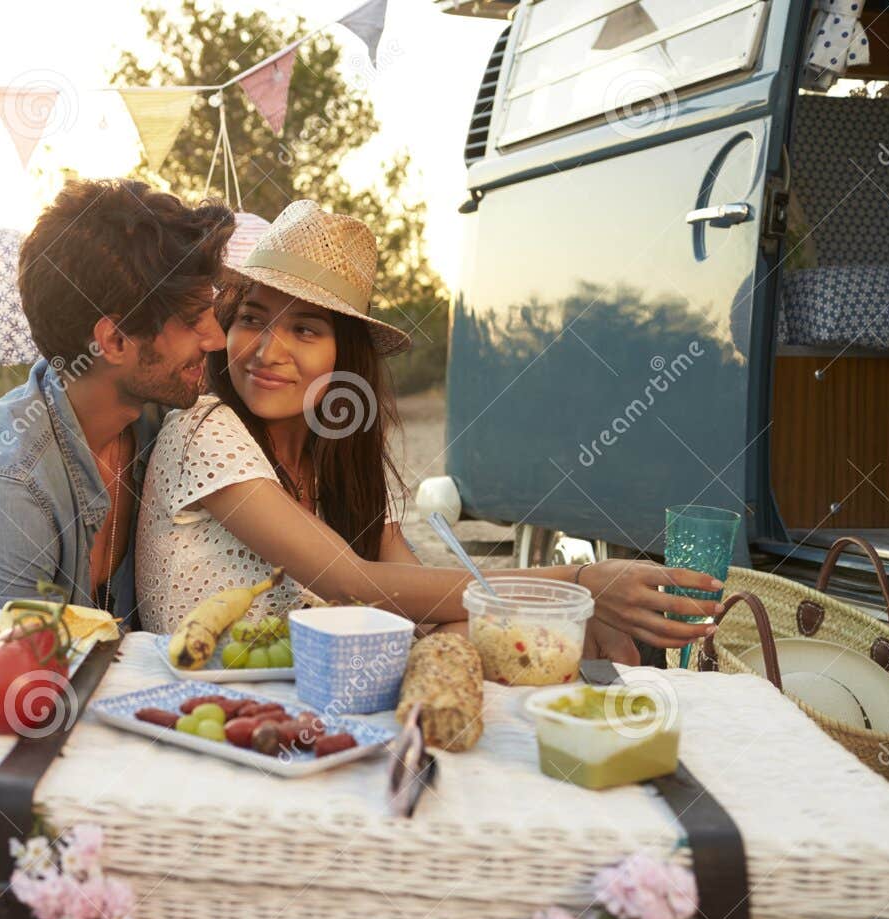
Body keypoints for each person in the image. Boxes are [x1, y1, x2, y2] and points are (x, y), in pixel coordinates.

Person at [135, 201, 721, 662]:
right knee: (507, 628)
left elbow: (418, 591)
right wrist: (582, 583)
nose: (268, 350)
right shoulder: (202, 432)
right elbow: (354, 584)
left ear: (345, 357)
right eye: (252, 319)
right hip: (210, 706)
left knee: (494, 632)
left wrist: (560, 612)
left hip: (316, 697)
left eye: (306, 330)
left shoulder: (341, 461)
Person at [0, 179, 234, 676]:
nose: (217, 338)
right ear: (112, 341)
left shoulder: (160, 425)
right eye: (195, 320)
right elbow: (23, 688)